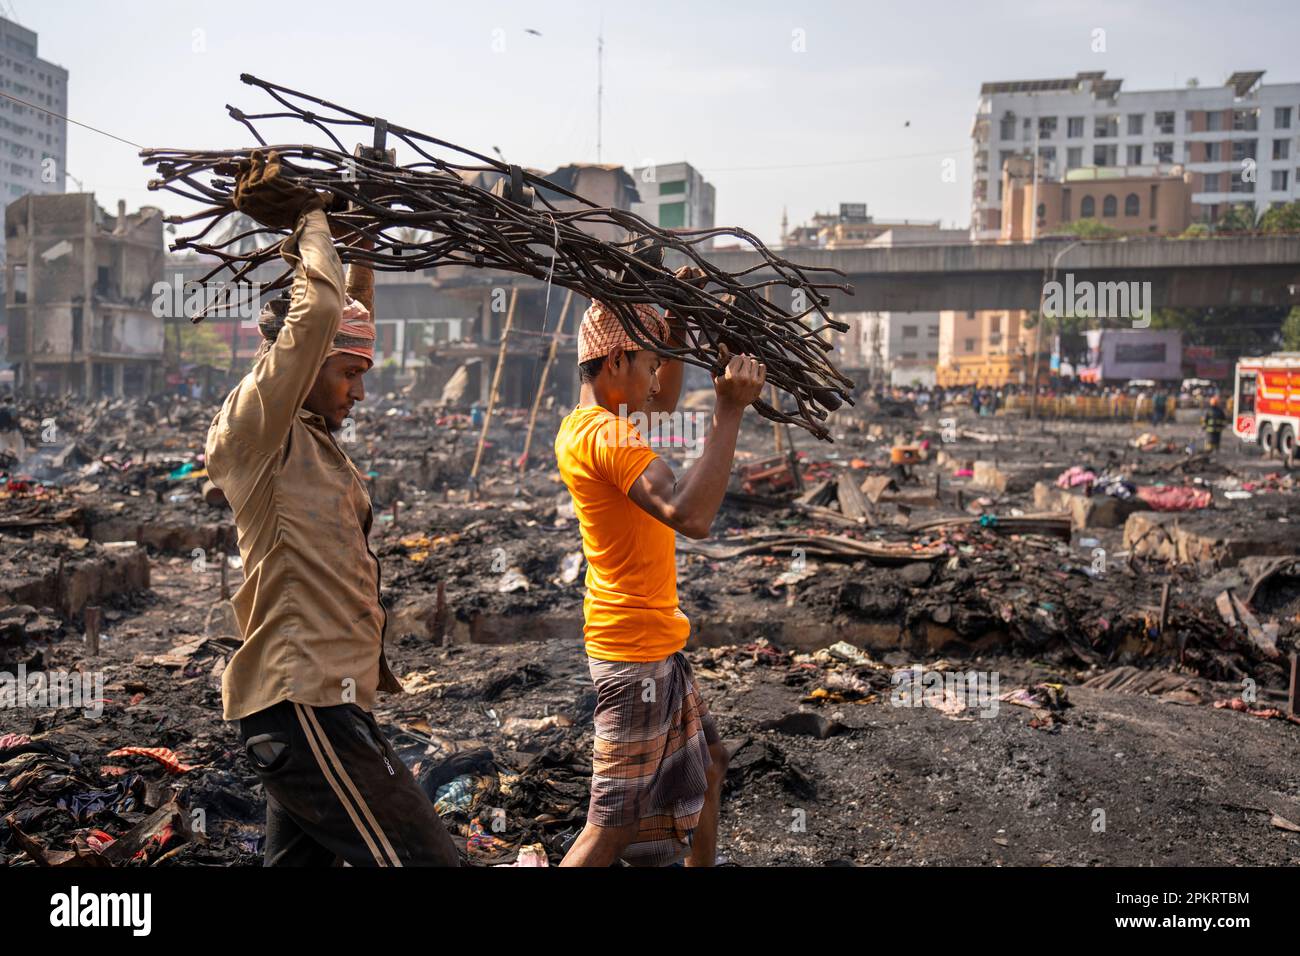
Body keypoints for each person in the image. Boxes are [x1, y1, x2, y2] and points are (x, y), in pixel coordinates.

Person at [205, 150, 458, 867]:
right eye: (349, 374)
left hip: (327, 705)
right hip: (303, 706)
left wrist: (364, 232)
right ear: (303, 360)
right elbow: (319, 313)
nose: (360, 390)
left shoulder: (312, 438)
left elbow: (344, 322)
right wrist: (308, 217)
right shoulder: (260, 428)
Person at [553, 295, 766, 867]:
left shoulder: (590, 423)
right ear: (616, 361)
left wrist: (675, 327)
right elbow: (690, 516)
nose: (654, 384)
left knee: (712, 763)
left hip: (653, 645)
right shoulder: (609, 438)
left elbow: (663, 397)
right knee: (611, 830)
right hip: (632, 654)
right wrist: (729, 411)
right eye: (648, 365)